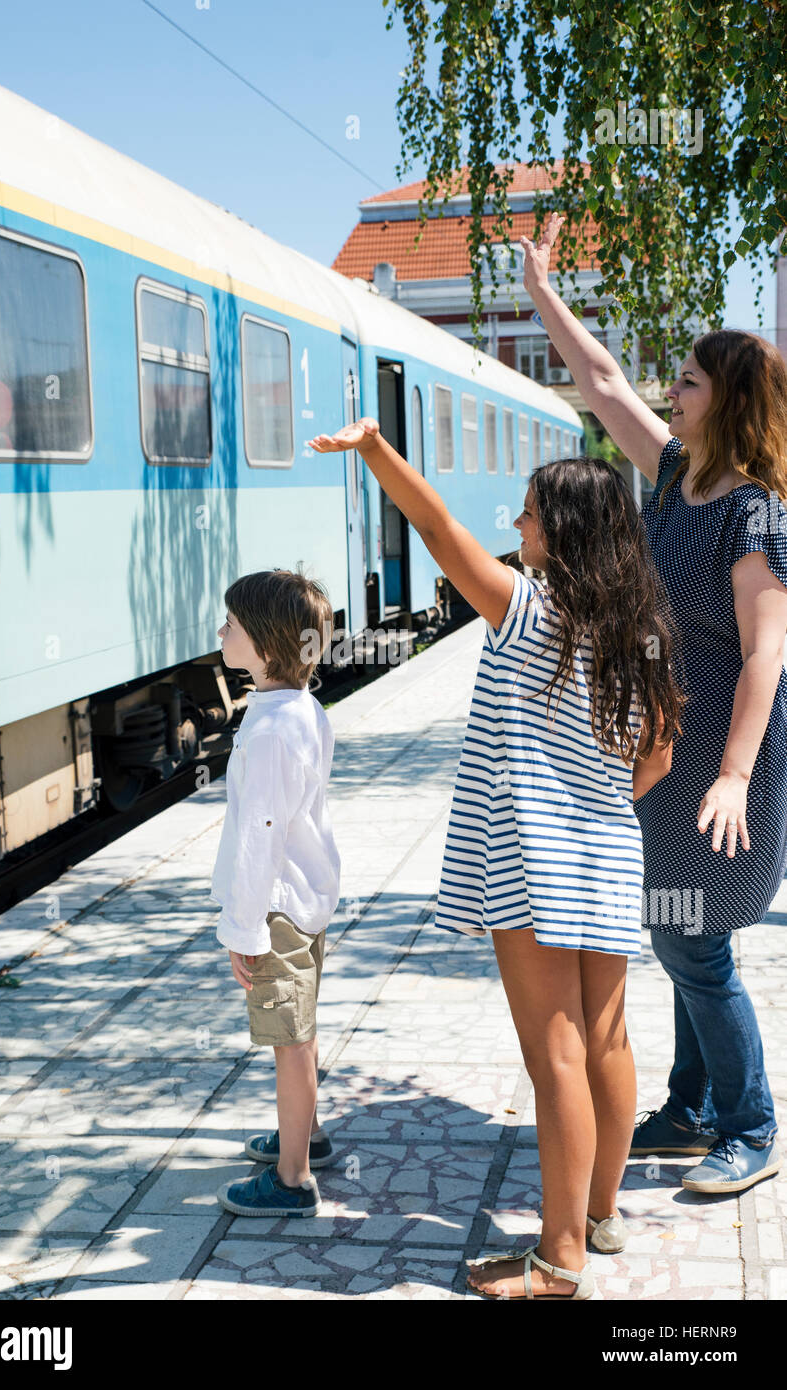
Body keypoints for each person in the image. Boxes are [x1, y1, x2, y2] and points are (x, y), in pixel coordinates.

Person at [307, 418, 686, 1300]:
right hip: (608, 857)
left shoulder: (525, 610)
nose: (515, 532)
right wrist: (595, 808)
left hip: (533, 866)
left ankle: (558, 1262)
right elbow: (661, 752)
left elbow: (437, 530)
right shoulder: (643, 627)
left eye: (526, 518)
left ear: (562, 531)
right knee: (606, 1039)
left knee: (553, 1056)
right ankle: (599, 1213)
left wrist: (374, 450)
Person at [520, 213, 787, 1203]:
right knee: (677, 930)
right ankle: (686, 1106)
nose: (664, 391)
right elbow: (597, 382)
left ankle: (750, 1121)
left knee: (692, 943)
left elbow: (767, 650)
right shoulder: (675, 474)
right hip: (669, 756)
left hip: (723, 760)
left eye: (683, 380)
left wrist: (729, 775)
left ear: (725, 401)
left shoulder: (752, 509)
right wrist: (540, 288)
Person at [213, 567, 342, 1219]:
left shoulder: (267, 731)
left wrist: (244, 929)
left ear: (264, 645)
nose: (220, 630)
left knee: (287, 1041)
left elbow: (261, 836)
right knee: (303, 1028)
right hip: (306, 900)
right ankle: (305, 1138)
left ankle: (291, 1180)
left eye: (230, 623)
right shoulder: (301, 709)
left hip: (277, 910)